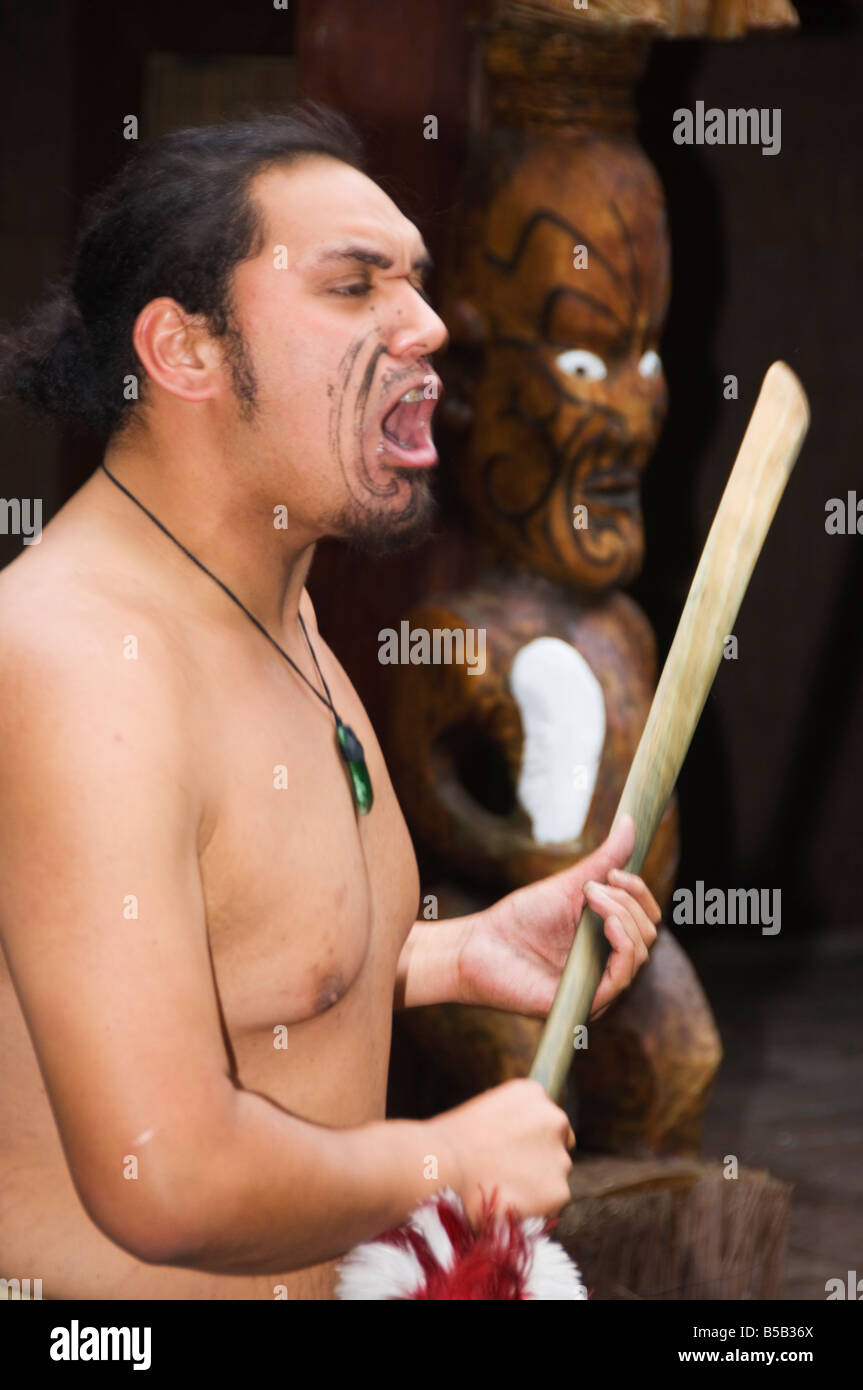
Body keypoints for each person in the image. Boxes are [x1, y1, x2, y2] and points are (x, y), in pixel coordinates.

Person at [0, 107, 659, 1300]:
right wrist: (446, 1161)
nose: (429, 324)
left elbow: (232, 956)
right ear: (184, 350)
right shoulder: (75, 661)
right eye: (353, 287)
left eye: (413, 280)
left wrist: (457, 953)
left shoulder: (275, 604)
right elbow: (163, 1177)